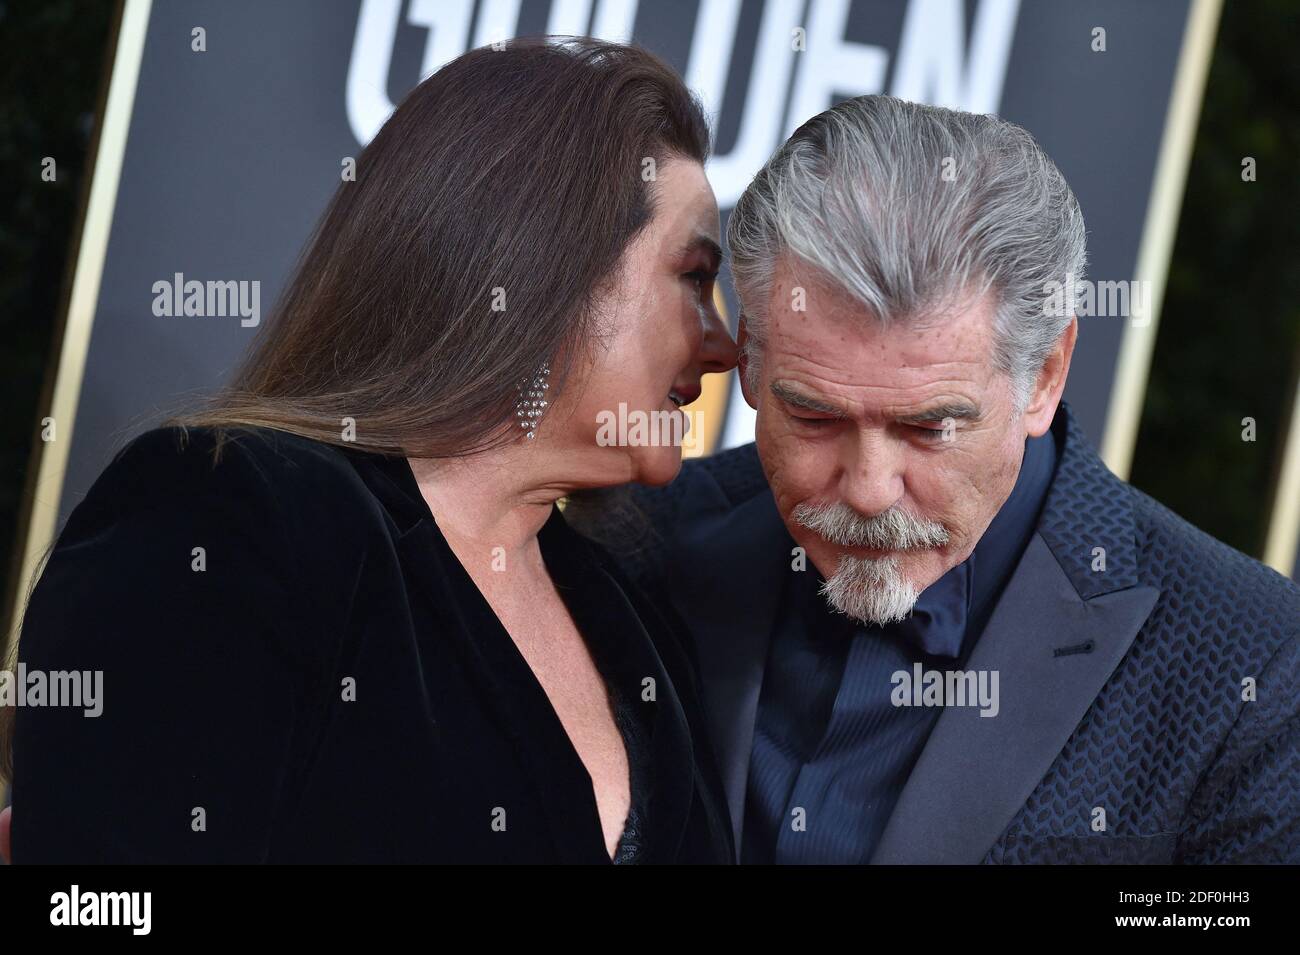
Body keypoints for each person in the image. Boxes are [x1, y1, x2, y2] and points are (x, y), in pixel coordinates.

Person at [2, 38, 739, 864]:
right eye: (696, 277)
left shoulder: (634, 614)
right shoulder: (229, 518)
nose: (723, 345)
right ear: (549, 265)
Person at [606, 95, 1300, 864]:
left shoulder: (1254, 668)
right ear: (749, 358)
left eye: (929, 427)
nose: (869, 488)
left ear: (1045, 375)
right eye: (813, 415)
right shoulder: (635, 543)